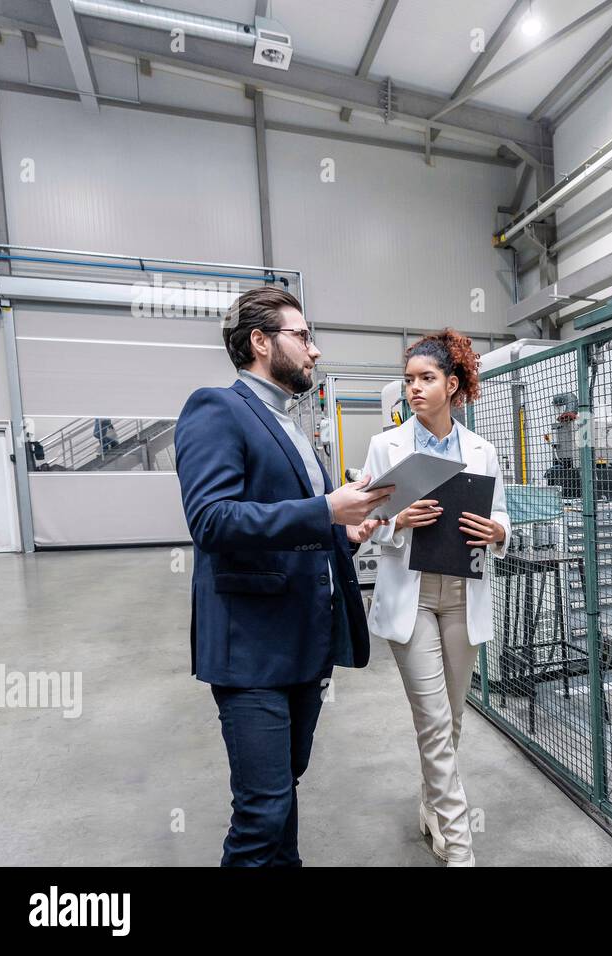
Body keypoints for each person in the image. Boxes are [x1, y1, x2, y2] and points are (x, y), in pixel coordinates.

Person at [174, 286, 393, 866]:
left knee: (283, 791)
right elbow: (213, 520)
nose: (315, 351)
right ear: (260, 341)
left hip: (301, 643)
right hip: (251, 649)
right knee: (261, 812)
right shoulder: (216, 408)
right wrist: (325, 510)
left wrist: (341, 531)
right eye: (303, 336)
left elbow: (287, 521)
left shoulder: (292, 425)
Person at [361, 329, 510, 867]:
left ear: (453, 384)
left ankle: (431, 806)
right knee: (432, 720)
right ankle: (461, 850)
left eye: (426, 379)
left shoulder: (481, 451)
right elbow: (366, 524)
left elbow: (501, 515)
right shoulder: (387, 446)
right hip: (413, 596)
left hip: (463, 593)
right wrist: (397, 520)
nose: (415, 389)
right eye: (409, 380)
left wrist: (498, 534)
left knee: (452, 719)